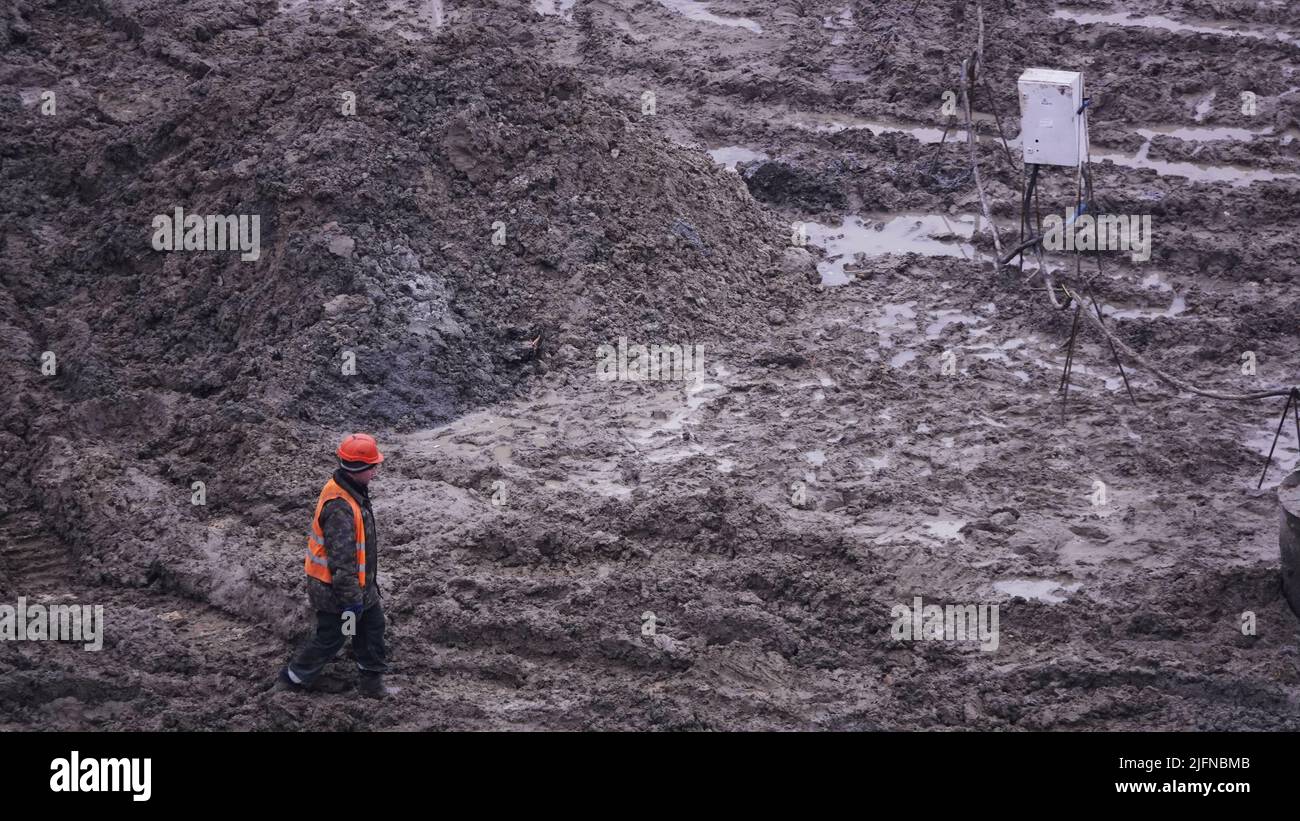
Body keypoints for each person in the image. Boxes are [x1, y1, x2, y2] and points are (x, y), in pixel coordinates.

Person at [278, 433, 387, 698]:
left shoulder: (351, 488)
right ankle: (291, 681)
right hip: (336, 591)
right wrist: (351, 602)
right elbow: (342, 563)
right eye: (372, 466)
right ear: (359, 470)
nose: (376, 471)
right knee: (332, 637)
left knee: (372, 627)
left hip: (360, 586)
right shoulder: (340, 507)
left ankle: (372, 685)